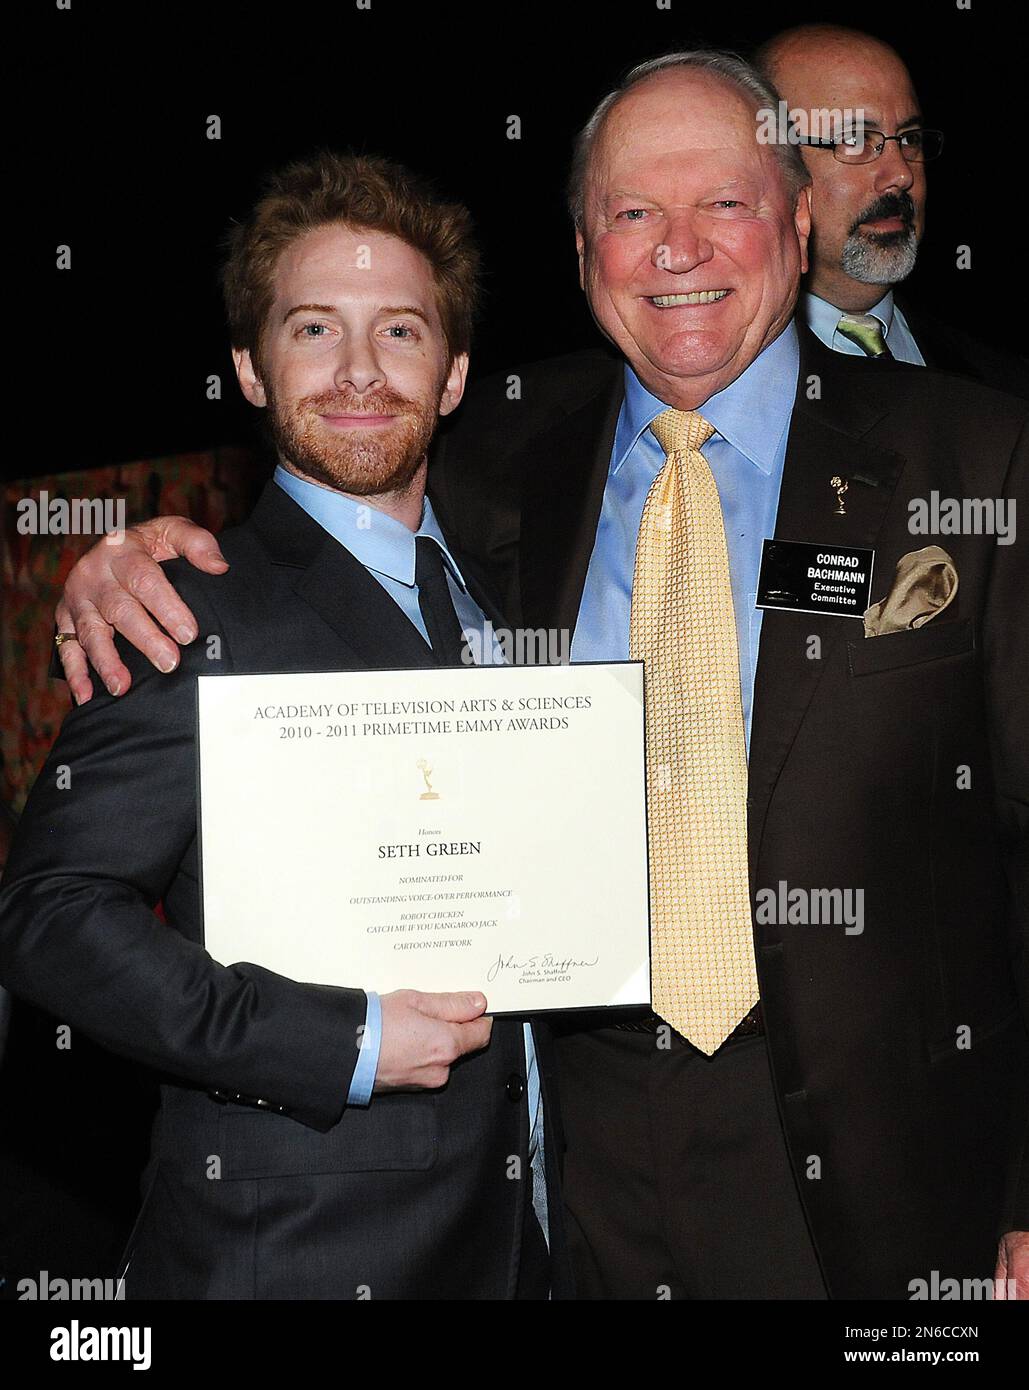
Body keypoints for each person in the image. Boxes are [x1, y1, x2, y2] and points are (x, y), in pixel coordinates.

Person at [49, 51, 1028, 1300]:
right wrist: (124, 559)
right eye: (632, 213)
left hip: (901, 1175)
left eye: (723, 203)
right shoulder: (494, 462)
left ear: (794, 222)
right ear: (582, 253)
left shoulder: (977, 454)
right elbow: (330, 497)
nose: (678, 248)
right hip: (584, 1164)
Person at [0, 151, 569, 1300]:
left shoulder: (518, 600)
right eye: (313, 329)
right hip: (292, 1256)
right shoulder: (183, 608)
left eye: (401, 331)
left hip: (532, 1249)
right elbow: (50, 917)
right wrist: (341, 1045)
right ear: (251, 373)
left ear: (455, 376)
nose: (360, 370)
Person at [755, 24, 1028, 396]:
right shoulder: (718, 391)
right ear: (766, 162)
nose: (901, 173)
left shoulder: (1003, 388)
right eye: (854, 140)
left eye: (910, 139)